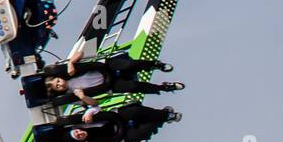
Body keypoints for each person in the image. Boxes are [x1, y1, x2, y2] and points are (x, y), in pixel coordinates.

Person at [43, 49, 183, 106]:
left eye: (58, 81)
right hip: (109, 85)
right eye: (58, 87)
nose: (60, 84)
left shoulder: (67, 71)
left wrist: (71, 62)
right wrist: (83, 98)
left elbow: (81, 52)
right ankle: (163, 87)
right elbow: (95, 103)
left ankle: (154, 64)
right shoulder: (71, 96)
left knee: (128, 65)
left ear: (58, 78)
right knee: (133, 87)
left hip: (106, 67)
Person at [63, 103, 182, 142]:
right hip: (121, 136)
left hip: (116, 118)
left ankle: (165, 114)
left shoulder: (84, 121)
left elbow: (96, 107)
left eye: (77, 132)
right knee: (144, 131)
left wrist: (89, 112)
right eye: (78, 136)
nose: (80, 134)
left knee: (136, 112)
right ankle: (164, 117)